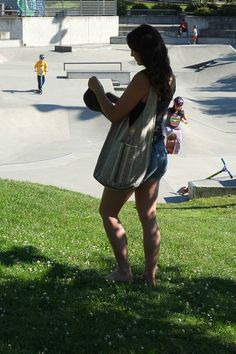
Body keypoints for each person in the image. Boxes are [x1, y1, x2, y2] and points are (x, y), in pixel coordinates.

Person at [87, 24, 175, 285]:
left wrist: (97, 90)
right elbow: (142, 109)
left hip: (136, 155)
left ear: (144, 52)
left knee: (109, 212)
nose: (132, 55)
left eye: (134, 51)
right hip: (157, 152)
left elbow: (115, 115)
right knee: (148, 215)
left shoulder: (142, 79)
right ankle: (150, 276)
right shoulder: (169, 77)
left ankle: (124, 271)